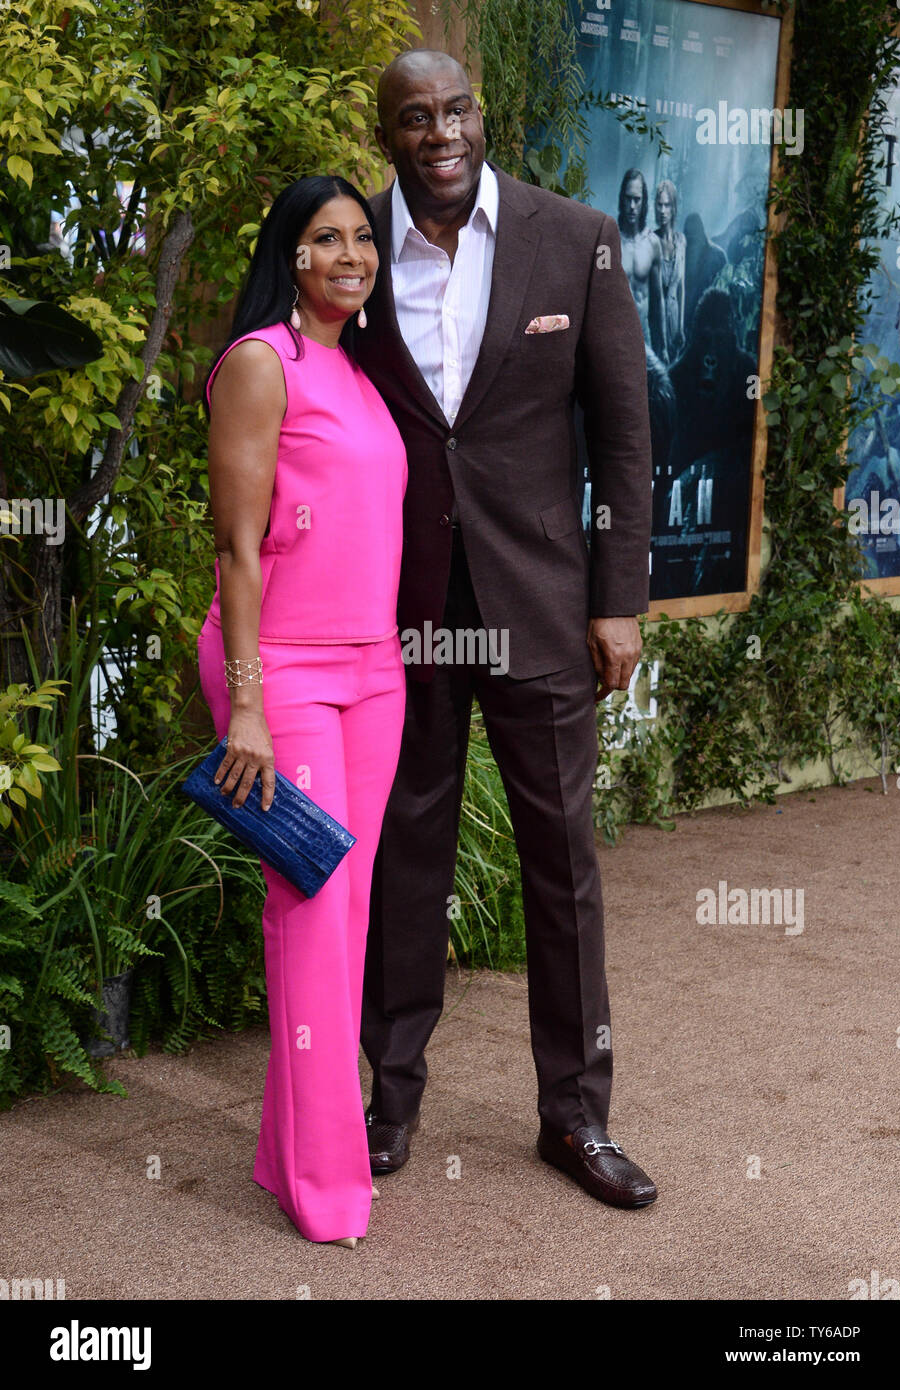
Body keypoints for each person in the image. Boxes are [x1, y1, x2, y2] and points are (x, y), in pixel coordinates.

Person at [356, 50, 658, 1210]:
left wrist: (616, 597)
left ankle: (575, 1118)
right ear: (385, 132)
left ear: (481, 113)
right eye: (414, 118)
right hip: (407, 610)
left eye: (456, 109)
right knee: (405, 856)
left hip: (538, 607)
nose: (440, 132)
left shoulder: (569, 236)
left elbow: (625, 435)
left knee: (562, 870)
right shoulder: (353, 245)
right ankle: (389, 1099)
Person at [196, 175, 408, 1248]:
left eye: (363, 238)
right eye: (326, 238)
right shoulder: (259, 364)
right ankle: (326, 1187)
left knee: (342, 917)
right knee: (314, 914)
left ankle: (288, 1151)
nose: (349, 254)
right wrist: (246, 706)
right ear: (289, 254)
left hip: (375, 670)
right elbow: (236, 547)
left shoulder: (362, 372)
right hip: (278, 671)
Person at [618, 168, 666, 362]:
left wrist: (662, 346)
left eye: (637, 199)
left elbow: (657, 300)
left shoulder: (652, 243)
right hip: (614, 338)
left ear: (643, 201)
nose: (632, 206)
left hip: (642, 339)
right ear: (621, 198)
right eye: (628, 198)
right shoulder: (610, 238)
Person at [655, 179, 686, 365]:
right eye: (659, 205)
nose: (663, 210)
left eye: (667, 205)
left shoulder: (681, 242)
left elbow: (682, 287)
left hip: (674, 319)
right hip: (656, 321)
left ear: (673, 207)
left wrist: (681, 327)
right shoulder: (651, 240)